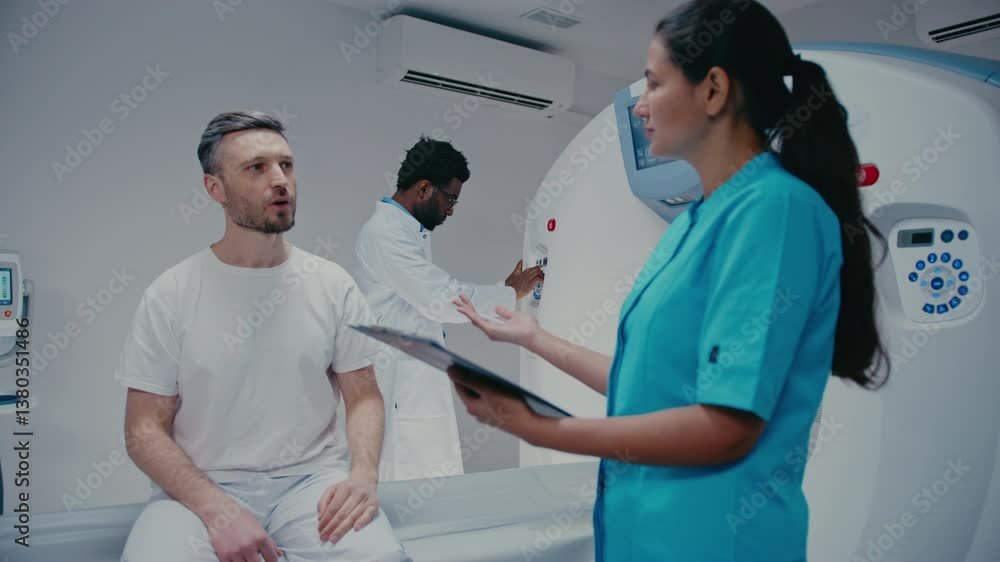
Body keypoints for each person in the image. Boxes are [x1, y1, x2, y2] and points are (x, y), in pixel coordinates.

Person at [446, 1, 890, 560]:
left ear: (713, 90)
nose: (640, 108)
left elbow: (725, 426)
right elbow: (651, 388)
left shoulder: (775, 211)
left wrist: (539, 429)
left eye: (654, 85)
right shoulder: (697, 223)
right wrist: (533, 339)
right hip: (648, 538)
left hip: (721, 541)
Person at [115, 111, 410, 562]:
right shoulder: (171, 294)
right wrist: (218, 510)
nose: (280, 181)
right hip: (200, 488)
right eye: (257, 168)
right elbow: (143, 429)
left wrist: (364, 474)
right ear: (214, 188)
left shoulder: (331, 284)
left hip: (310, 483)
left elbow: (364, 395)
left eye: (286, 165)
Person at [354, 136, 545, 481]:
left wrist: (502, 293)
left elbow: (432, 296)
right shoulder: (386, 234)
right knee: (404, 479)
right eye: (450, 198)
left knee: (423, 477)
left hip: (413, 372)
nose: (452, 210)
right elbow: (441, 298)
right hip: (399, 381)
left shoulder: (406, 233)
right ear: (425, 188)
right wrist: (507, 293)